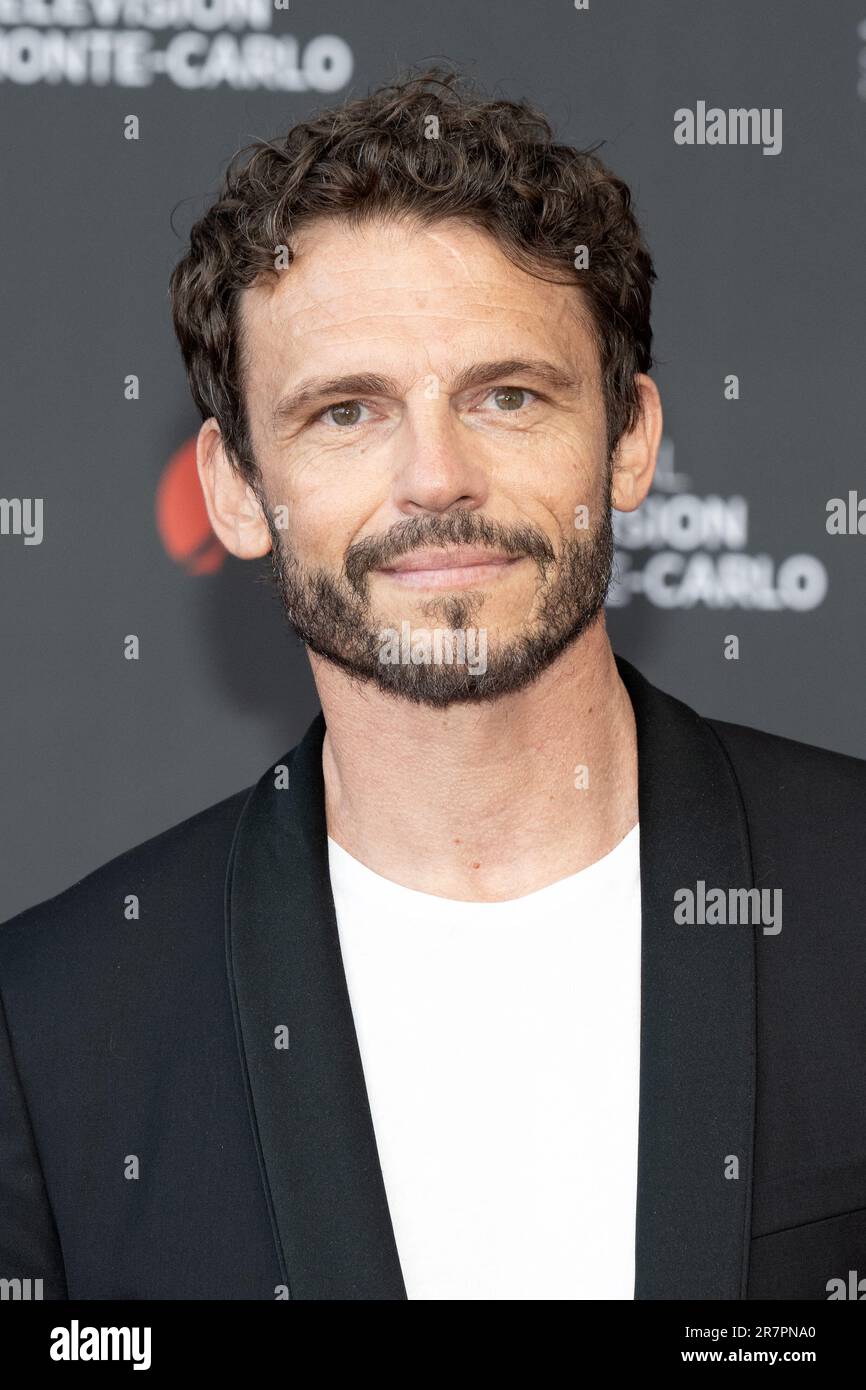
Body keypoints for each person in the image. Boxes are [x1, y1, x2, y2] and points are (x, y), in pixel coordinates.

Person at [2, 70, 865, 1302]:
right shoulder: (52, 1028)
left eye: (504, 396)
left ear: (627, 440)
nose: (434, 477)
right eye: (346, 412)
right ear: (237, 490)